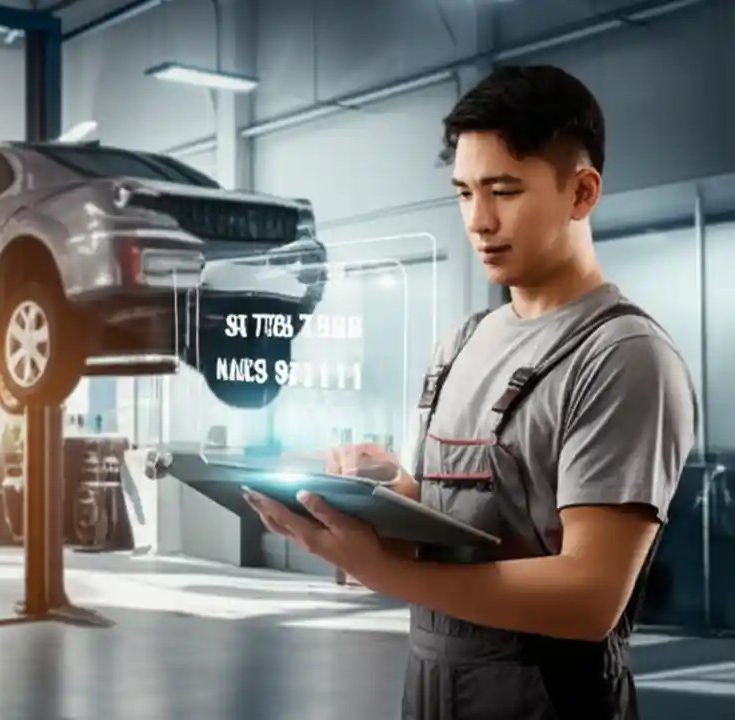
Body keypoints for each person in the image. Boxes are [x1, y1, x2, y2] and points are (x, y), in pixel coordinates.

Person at [242, 65, 696, 719]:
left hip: (551, 700)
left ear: (582, 192)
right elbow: (455, 523)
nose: (478, 221)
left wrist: (381, 572)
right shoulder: (458, 344)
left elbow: (589, 597)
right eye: (463, 193)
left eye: (504, 191)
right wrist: (380, 491)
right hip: (431, 690)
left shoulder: (623, 357)